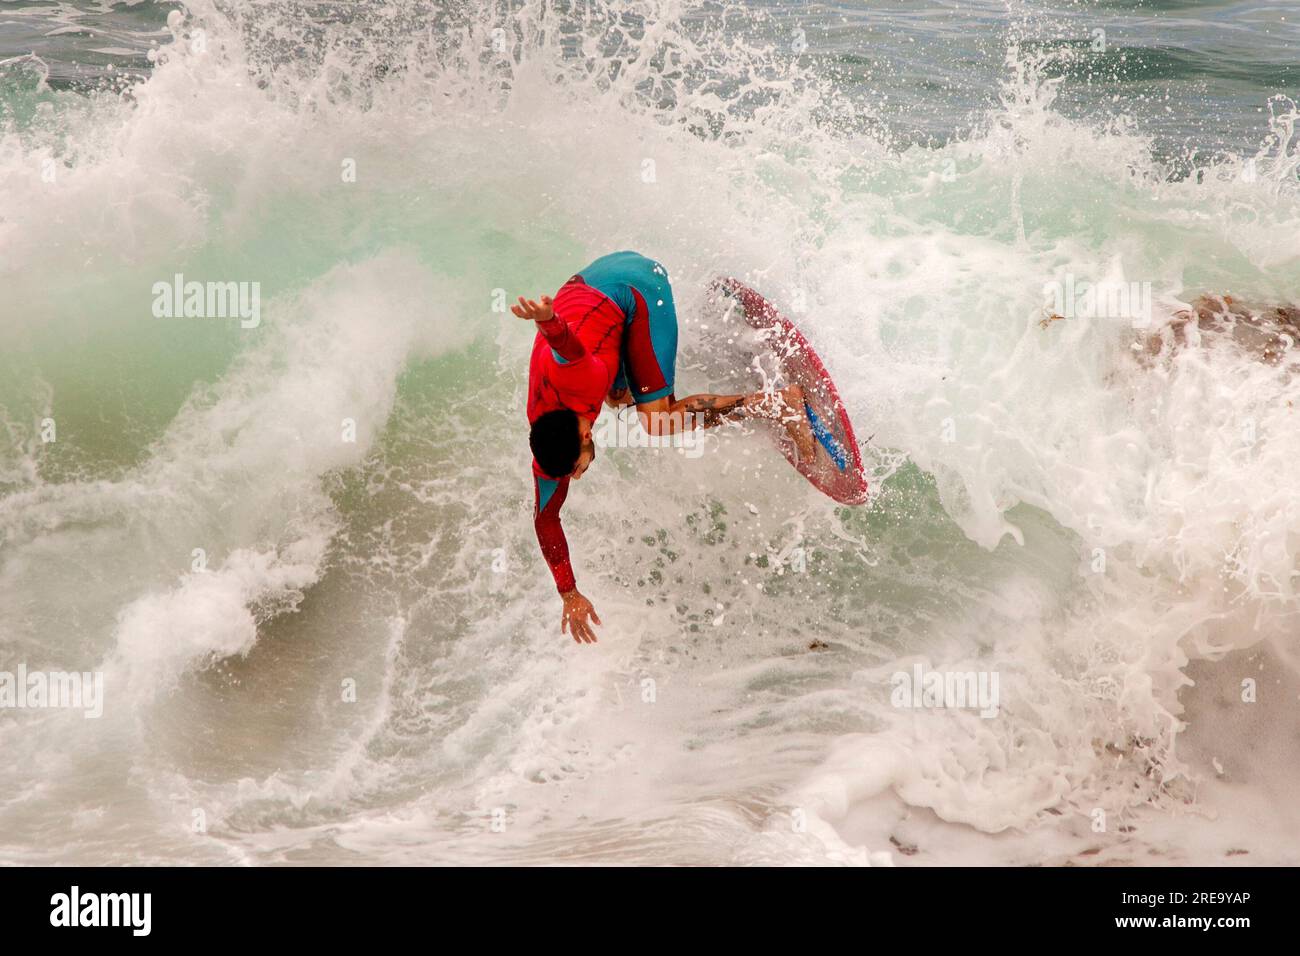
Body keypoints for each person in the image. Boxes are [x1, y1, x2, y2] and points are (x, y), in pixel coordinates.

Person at [515, 251, 815, 644]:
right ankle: (708, 342)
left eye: (575, 469)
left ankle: (777, 404)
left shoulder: (580, 378)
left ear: (585, 437)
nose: (576, 475)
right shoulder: (546, 430)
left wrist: (546, 321)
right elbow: (546, 519)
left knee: (657, 419)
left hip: (634, 284)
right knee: (620, 396)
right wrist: (569, 593)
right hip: (589, 288)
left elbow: (567, 349)